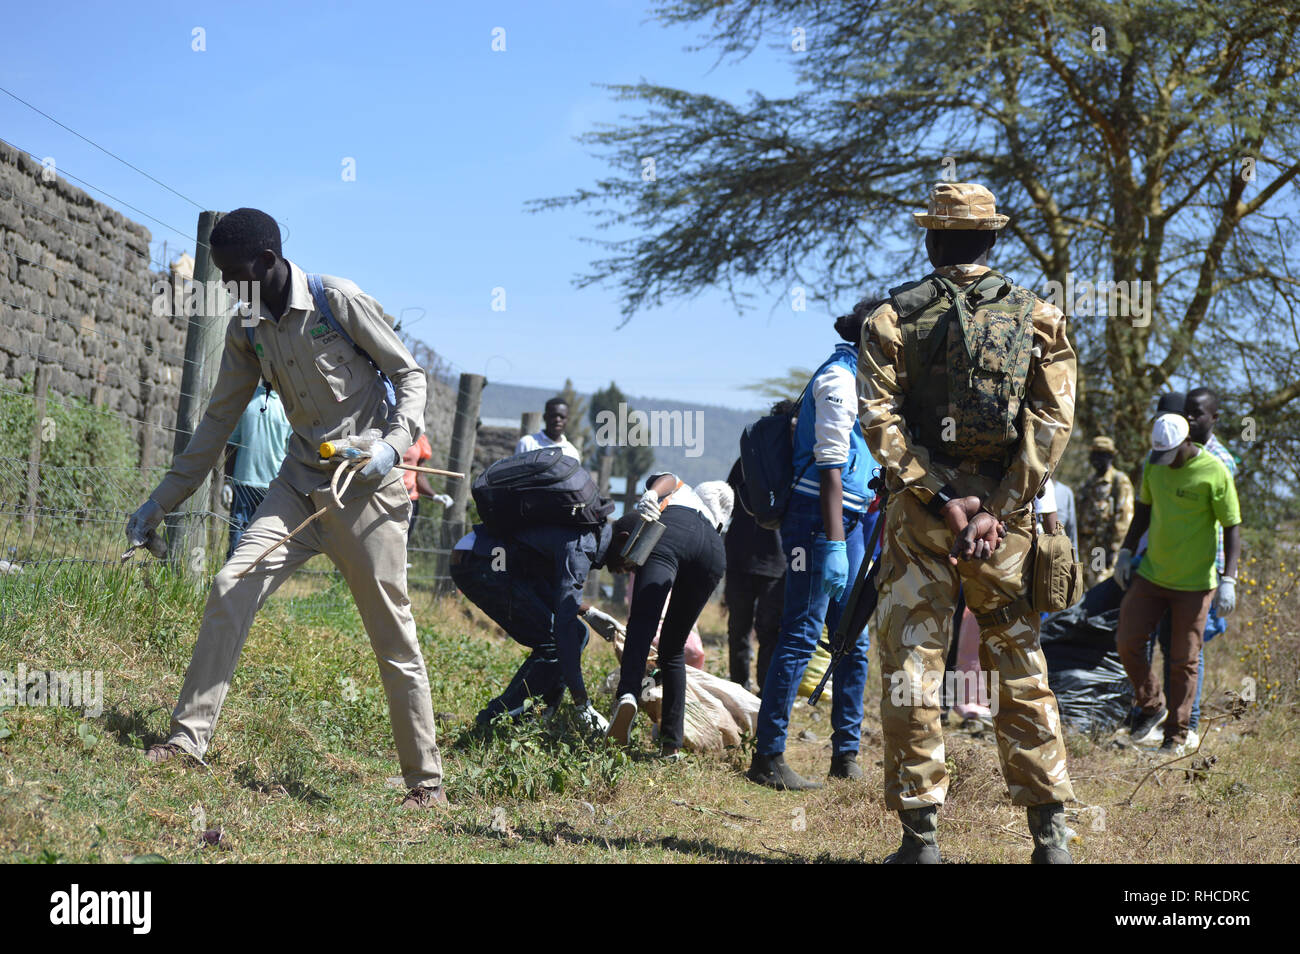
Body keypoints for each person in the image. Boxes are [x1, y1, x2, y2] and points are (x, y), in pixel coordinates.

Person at [123, 207, 447, 810]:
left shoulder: (335, 301)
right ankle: (187, 740)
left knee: (391, 633)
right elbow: (216, 423)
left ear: (267, 263)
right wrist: (158, 504)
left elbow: (410, 375)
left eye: (231, 273)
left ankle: (425, 784)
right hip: (298, 483)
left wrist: (393, 447)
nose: (224, 287)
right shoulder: (246, 330)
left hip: (368, 488)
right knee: (229, 584)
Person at [857, 182, 1077, 863]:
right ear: (992, 240)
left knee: (912, 672)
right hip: (1004, 528)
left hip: (922, 521)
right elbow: (1052, 421)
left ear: (931, 240)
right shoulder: (1040, 316)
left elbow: (880, 422)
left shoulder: (890, 319)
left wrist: (941, 498)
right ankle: (1052, 840)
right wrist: (1001, 503)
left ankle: (921, 840)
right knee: (1022, 667)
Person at [746, 306, 880, 790]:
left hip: (854, 516)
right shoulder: (839, 383)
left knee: (853, 640)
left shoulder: (865, 380)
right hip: (819, 518)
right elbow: (829, 469)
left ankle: (846, 754)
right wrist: (836, 543)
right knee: (802, 633)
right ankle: (768, 757)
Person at [1113, 413, 1241, 755]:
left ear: (1187, 442)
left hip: (1195, 584)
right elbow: (1142, 512)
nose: (1166, 462)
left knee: (1184, 659)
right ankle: (1152, 706)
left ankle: (1176, 735)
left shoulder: (1214, 471)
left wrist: (1229, 578)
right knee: (1128, 640)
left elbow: (1232, 526)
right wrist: (1125, 552)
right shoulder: (1155, 465)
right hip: (1153, 574)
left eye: (1171, 454)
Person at [450, 518, 616, 732]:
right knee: (557, 641)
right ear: (622, 541)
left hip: (494, 559)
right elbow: (562, 614)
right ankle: (493, 721)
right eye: (633, 561)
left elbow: (557, 587)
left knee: (578, 632)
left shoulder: (586, 537)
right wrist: (581, 701)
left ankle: (539, 716)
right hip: (484, 559)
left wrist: (589, 612)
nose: (629, 569)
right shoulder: (582, 545)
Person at [606, 475, 728, 756]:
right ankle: (671, 745)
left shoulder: (666, 501)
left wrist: (651, 493)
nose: (633, 570)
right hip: (713, 549)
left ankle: (627, 695)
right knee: (673, 649)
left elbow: (669, 478)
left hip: (671, 532)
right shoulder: (700, 504)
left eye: (628, 566)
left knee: (642, 624)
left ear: (626, 540)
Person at [723, 456, 786, 692]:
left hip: (755, 556)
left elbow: (727, 500)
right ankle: (753, 694)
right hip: (766, 559)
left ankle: (749, 692)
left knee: (744, 629)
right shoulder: (794, 456)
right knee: (763, 632)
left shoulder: (747, 457)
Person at [221, 385, 291, 558]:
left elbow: (232, 445)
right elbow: (292, 451)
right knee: (258, 540)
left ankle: (237, 580)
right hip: (263, 484)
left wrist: (228, 481)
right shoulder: (286, 407)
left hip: (255, 483)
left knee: (245, 538)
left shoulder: (248, 400)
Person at [1077, 435, 1135, 589]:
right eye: (1094, 454)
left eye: (1101, 454)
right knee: (1084, 587)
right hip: (1085, 547)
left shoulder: (1119, 481)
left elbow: (1124, 518)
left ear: (1110, 456)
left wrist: (1115, 549)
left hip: (1100, 548)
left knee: (1097, 586)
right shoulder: (1089, 482)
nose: (1096, 458)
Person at [516, 397, 580, 460]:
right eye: (553, 416)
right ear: (545, 417)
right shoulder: (527, 443)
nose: (557, 420)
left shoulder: (572, 452)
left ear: (568, 420)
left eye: (562, 417)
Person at [401, 430, 438, 538]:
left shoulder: (420, 439)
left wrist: (434, 496)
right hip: (383, 496)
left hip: (408, 501)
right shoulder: (384, 430)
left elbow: (420, 476)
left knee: (402, 544)